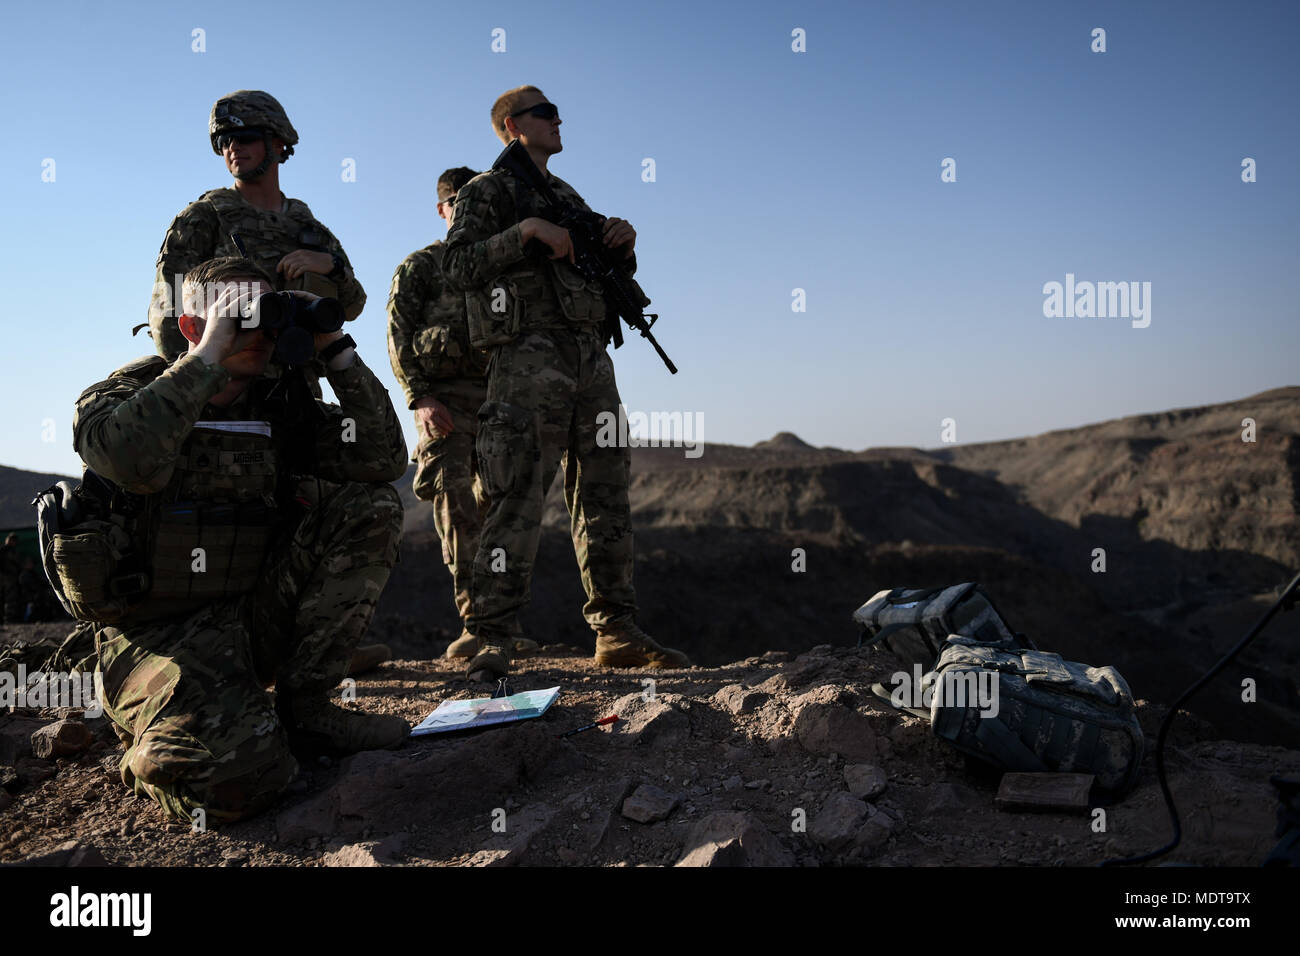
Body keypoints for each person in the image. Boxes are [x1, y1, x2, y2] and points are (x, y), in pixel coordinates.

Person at [71, 256, 408, 824]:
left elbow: (383, 458)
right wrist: (207, 358)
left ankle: (307, 709)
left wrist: (335, 349)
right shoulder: (135, 391)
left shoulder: (282, 405)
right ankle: (150, 751)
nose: (255, 328)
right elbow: (124, 457)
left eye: (264, 312)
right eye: (235, 313)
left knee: (368, 504)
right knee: (248, 780)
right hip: (153, 634)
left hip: (250, 614)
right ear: (188, 326)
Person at [442, 86, 690, 681]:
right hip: (527, 358)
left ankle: (616, 631)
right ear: (511, 126)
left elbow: (593, 269)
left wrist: (620, 243)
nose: (558, 121)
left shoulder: (565, 194)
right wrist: (522, 231)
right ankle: (492, 634)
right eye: (545, 113)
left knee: (606, 494)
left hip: (589, 357)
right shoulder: (488, 191)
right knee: (518, 494)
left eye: (556, 112)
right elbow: (457, 266)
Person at [387, 167, 539, 661]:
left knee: (501, 510)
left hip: (498, 401)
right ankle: (475, 622)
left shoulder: (497, 266)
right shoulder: (423, 266)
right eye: (459, 201)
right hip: (444, 404)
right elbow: (398, 335)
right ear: (442, 208)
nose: (469, 210)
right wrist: (420, 397)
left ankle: (502, 623)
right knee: (456, 510)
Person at [146, 90, 365, 389]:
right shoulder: (204, 218)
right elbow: (168, 309)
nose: (233, 147)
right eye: (224, 141)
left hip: (299, 390)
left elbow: (351, 308)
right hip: (225, 390)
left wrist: (331, 266)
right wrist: (190, 390)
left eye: (245, 137)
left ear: (277, 142)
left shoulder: (309, 230)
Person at [0, 534, 21, 623]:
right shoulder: (5, 550)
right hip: (5, 577)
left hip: (8, 578)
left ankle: (7, 618)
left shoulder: (9, 550)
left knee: (8, 599)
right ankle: (7, 618)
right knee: (8, 599)